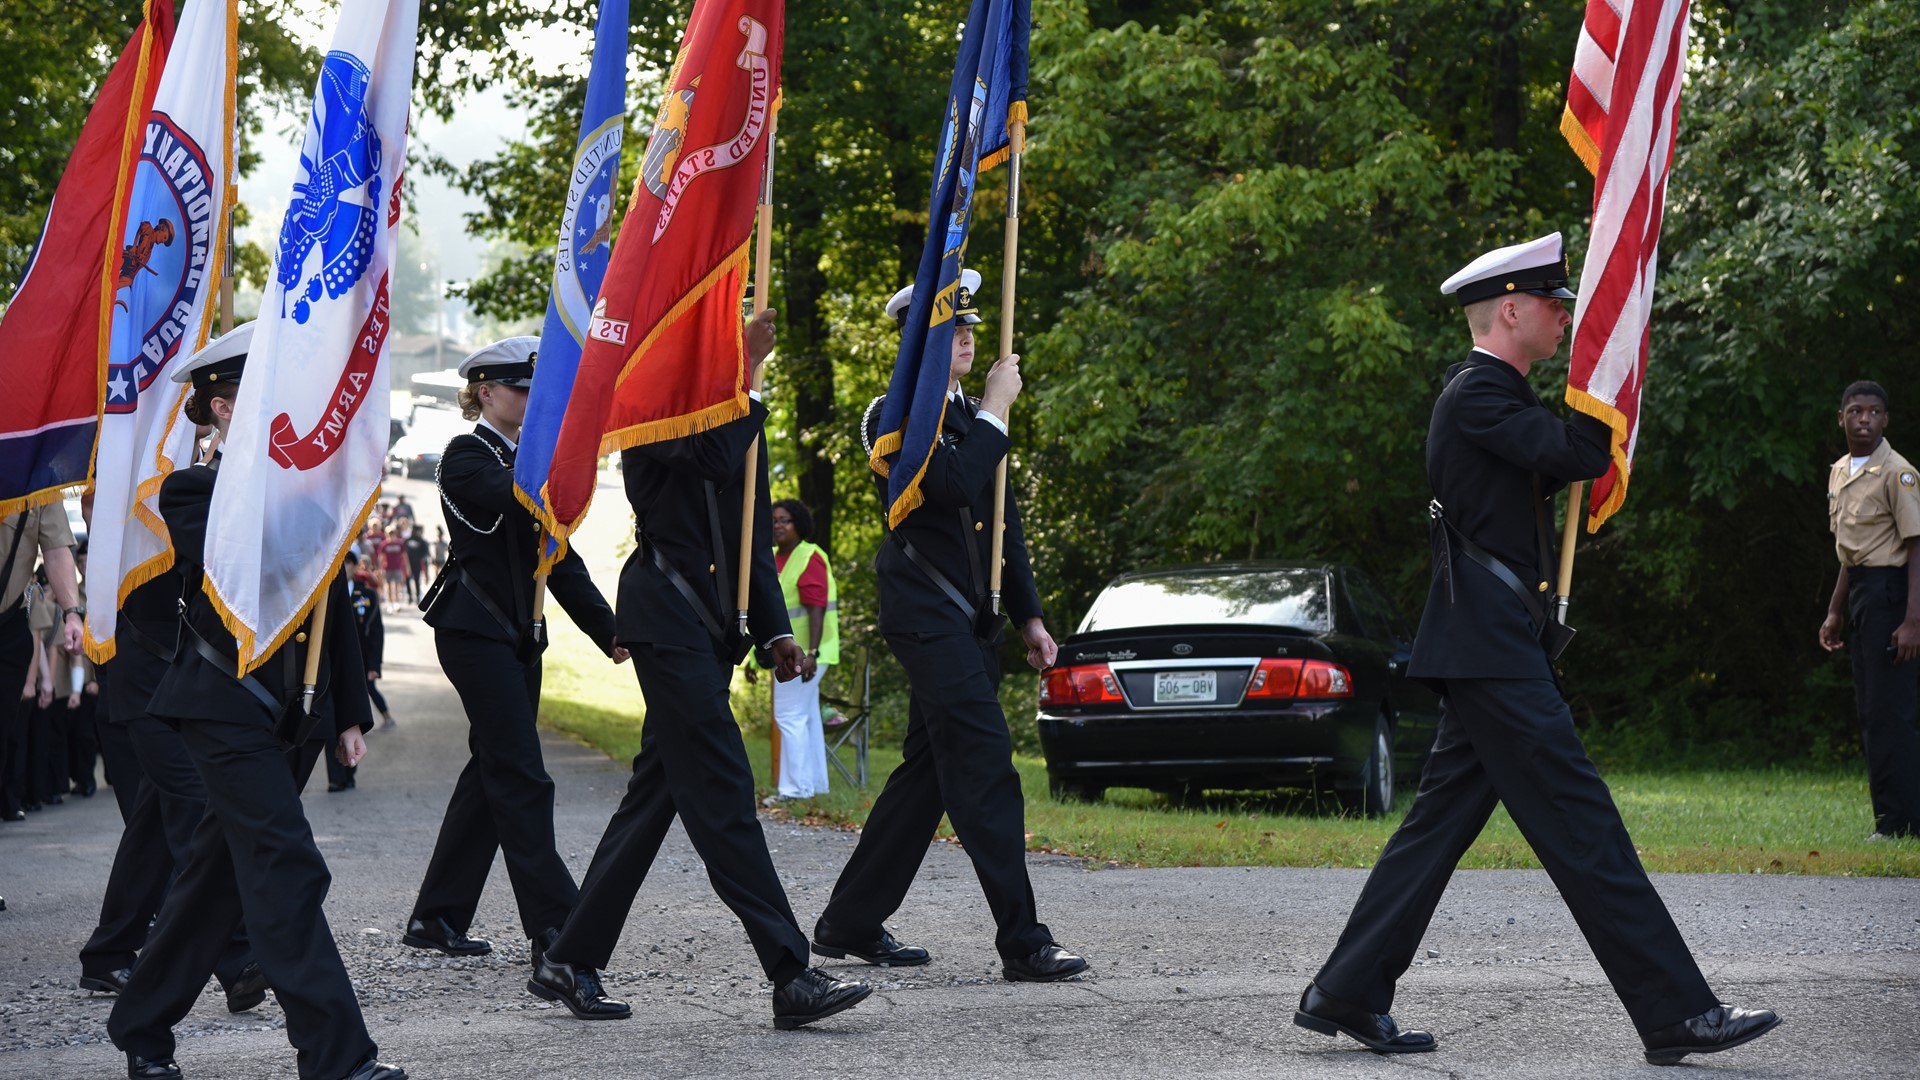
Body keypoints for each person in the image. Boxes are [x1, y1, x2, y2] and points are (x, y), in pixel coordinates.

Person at [1293, 233, 1778, 1067]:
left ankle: (1346, 990)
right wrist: (1606, 378)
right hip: (1488, 648)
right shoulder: (1480, 395)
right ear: (1510, 309)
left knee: (1434, 832)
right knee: (1583, 822)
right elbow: (1579, 453)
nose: (1564, 318)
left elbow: (1559, 465)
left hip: (1490, 639)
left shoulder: (1496, 400)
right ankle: (1676, 1011)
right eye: (1554, 305)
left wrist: (1599, 377)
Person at [527, 309, 873, 1031]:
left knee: (654, 799)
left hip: (711, 631)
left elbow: (748, 529)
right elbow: (712, 459)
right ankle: (790, 972)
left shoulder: (734, 410)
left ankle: (569, 955)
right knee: (721, 788)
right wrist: (745, 372)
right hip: (665, 618)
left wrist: (776, 628)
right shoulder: (652, 404)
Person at [105, 323, 405, 1080]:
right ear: (219, 409)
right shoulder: (192, 490)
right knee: (288, 867)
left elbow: (325, 596)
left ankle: (140, 1023)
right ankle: (337, 1059)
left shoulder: (305, 488)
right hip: (222, 702)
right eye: (256, 396)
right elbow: (241, 557)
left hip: (292, 711)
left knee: (212, 880)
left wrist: (345, 712)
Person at [817, 272, 1085, 983]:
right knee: (986, 767)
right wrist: (998, 410)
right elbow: (950, 486)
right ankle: (1024, 943)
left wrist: (1029, 615)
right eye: (949, 329)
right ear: (913, 340)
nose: (966, 336)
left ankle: (849, 921)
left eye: (969, 326)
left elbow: (1004, 524)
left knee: (926, 780)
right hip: (924, 618)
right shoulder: (894, 413)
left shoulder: (969, 413)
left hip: (968, 622)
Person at [402, 337, 624, 966]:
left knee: (491, 772)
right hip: (474, 630)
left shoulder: (531, 458)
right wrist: (559, 454)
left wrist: (609, 631)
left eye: (538, 389)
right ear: (485, 393)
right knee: (523, 773)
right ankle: (557, 930)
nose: (534, 399)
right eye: (523, 389)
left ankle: (437, 915)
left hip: (520, 636)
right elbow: (513, 496)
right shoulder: (465, 455)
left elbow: (561, 561)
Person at [1818, 380, 1920, 839]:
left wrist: (1913, 619)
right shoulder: (1841, 470)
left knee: (1891, 710)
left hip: (1891, 594)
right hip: (1859, 590)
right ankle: (1890, 820)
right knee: (1870, 710)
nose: (1865, 419)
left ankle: (1903, 822)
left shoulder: (1898, 473)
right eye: (1856, 411)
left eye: (1874, 412)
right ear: (1841, 418)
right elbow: (1850, 551)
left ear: (1886, 419)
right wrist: (1835, 611)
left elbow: (1916, 546)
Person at [767, 499, 834, 800]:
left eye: (785, 520)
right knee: (804, 716)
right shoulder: (770, 557)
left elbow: (815, 610)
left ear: (799, 524)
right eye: (774, 520)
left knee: (789, 714)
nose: (778, 525)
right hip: (790, 655)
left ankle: (795, 790)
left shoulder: (809, 556)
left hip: (805, 656)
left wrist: (813, 655)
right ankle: (813, 785)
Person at [378, 526, 407, 609]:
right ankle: (390, 603)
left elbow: (404, 556)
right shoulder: (384, 544)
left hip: (398, 567)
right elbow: (381, 557)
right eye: (389, 534)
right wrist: (380, 569)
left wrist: (406, 567)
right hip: (387, 568)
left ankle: (397, 603)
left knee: (398, 585)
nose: (391, 536)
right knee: (389, 585)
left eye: (393, 534)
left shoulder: (400, 543)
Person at [403, 523, 429, 604]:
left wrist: (419, 559)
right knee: (408, 580)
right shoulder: (407, 540)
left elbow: (425, 553)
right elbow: (403, 551)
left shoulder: (422, 541)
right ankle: (410, 596)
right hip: (408, 564)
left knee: (417, 580)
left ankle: (417, 596)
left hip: (417, 564)